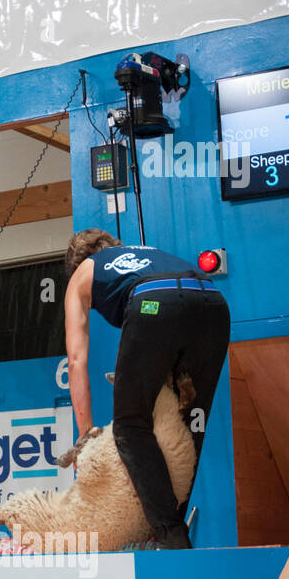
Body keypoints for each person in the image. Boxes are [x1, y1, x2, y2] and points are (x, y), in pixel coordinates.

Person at [63, 229, 230, 549]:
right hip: (213, 304)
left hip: (154, 302)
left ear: (78, 262)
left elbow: (75, 361)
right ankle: (169, 524)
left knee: (129, 425)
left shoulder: (82, 273)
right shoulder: (149, 253)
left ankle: (169, 534)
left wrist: (85, 436)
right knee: (189, 422)